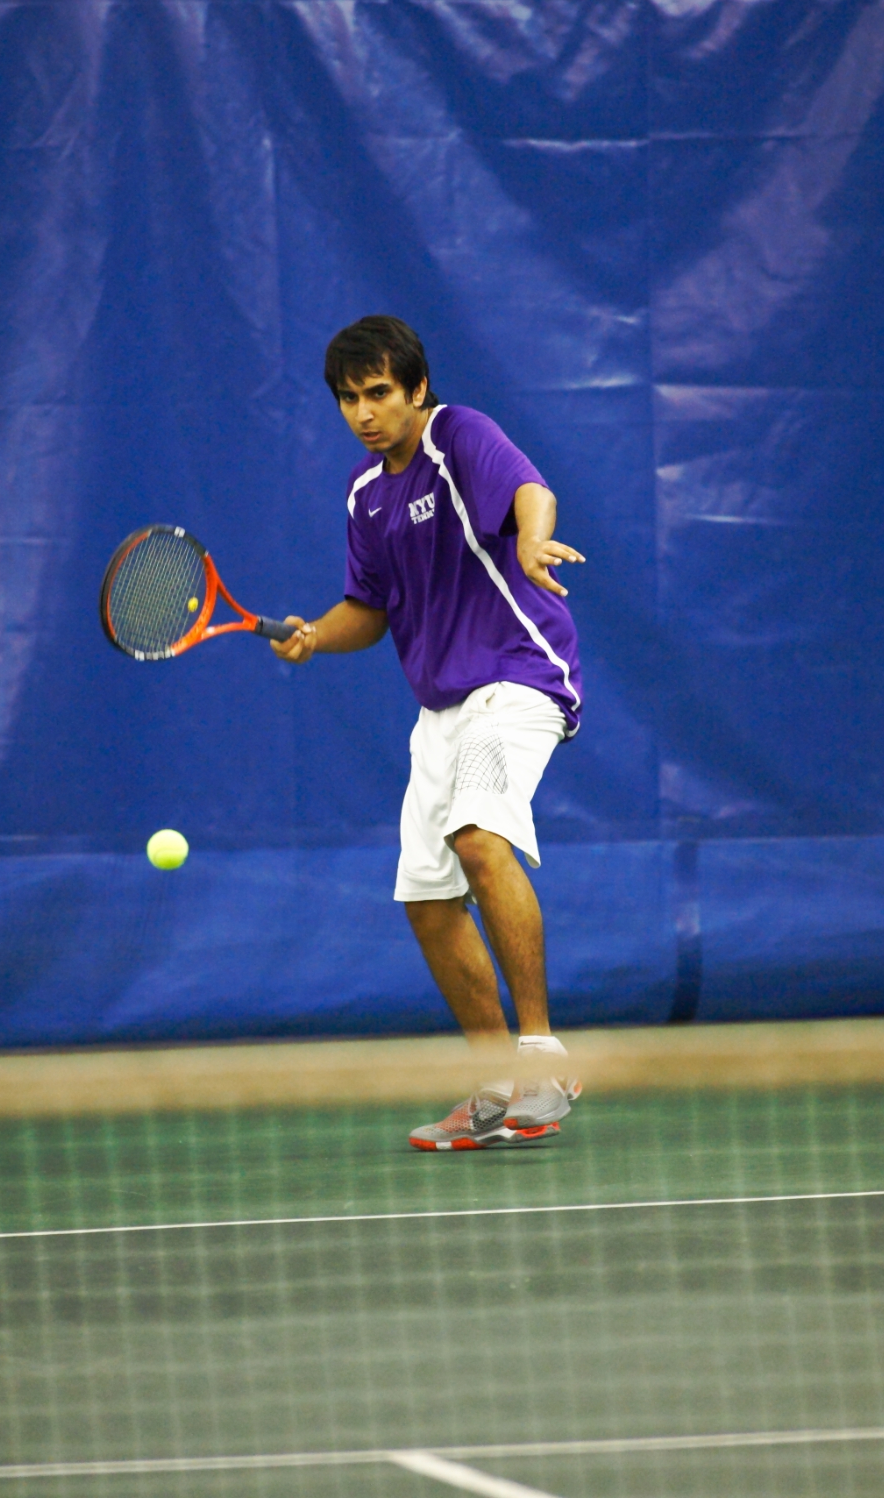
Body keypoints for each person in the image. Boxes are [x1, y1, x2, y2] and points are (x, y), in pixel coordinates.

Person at [272, 316, 585, 1150]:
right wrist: (315, 635)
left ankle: (543, 1059)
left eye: (378, 392)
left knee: (478, 837)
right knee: (426, 895)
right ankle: (495, 1084)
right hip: (441, 708)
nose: (363, 412)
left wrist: (531, 539)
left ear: (415, 388)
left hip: (518, 675)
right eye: (348, 399)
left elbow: (529, 490)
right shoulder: (364, 495)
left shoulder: (458, 436)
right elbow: (368, 610)